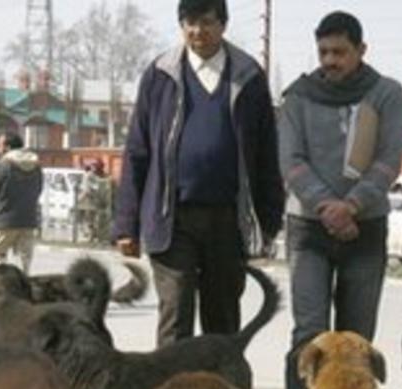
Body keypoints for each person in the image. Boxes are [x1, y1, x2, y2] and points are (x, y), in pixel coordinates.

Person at [114, 0, 283, 347]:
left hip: (227, 220)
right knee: (174, 315)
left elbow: (266, 154)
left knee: (222, 322)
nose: (197, 32)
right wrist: (126, 224)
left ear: (223, 24)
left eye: (206, 22)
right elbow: (137, 151)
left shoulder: (248, 76)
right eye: (189, 23)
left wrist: (268, 221)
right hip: (171, 218)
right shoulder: (161, 74)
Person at [279, 10, 402, 389]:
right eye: (323, 52)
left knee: (356, 337)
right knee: (309, 333)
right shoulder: (297, 96)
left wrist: (352, 206)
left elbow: (389, 160)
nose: (330, 60)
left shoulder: (386, 93)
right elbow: (291, 162)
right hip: (308, 229)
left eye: (339, 51)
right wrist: (328, 207)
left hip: (365, 228)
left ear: (361, 50)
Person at [0, 132, 44, 273]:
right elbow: (39, 188)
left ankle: (1, 287)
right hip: (29, 220)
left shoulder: (4, 164)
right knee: (23, 262)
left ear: (8, 147)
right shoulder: (37, 165)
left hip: (5, 219)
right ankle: (20, 289)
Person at [76, 159, 113, 244]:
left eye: (95, 166)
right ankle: (91, 236)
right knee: (90, 219)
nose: (93, 168)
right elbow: (87, 189)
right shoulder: (90, 176)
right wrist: (80, 199)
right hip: (90, 201)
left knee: (99, 220)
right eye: (93, 166)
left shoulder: (105, 176)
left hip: (101, 202)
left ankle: (99, 236)